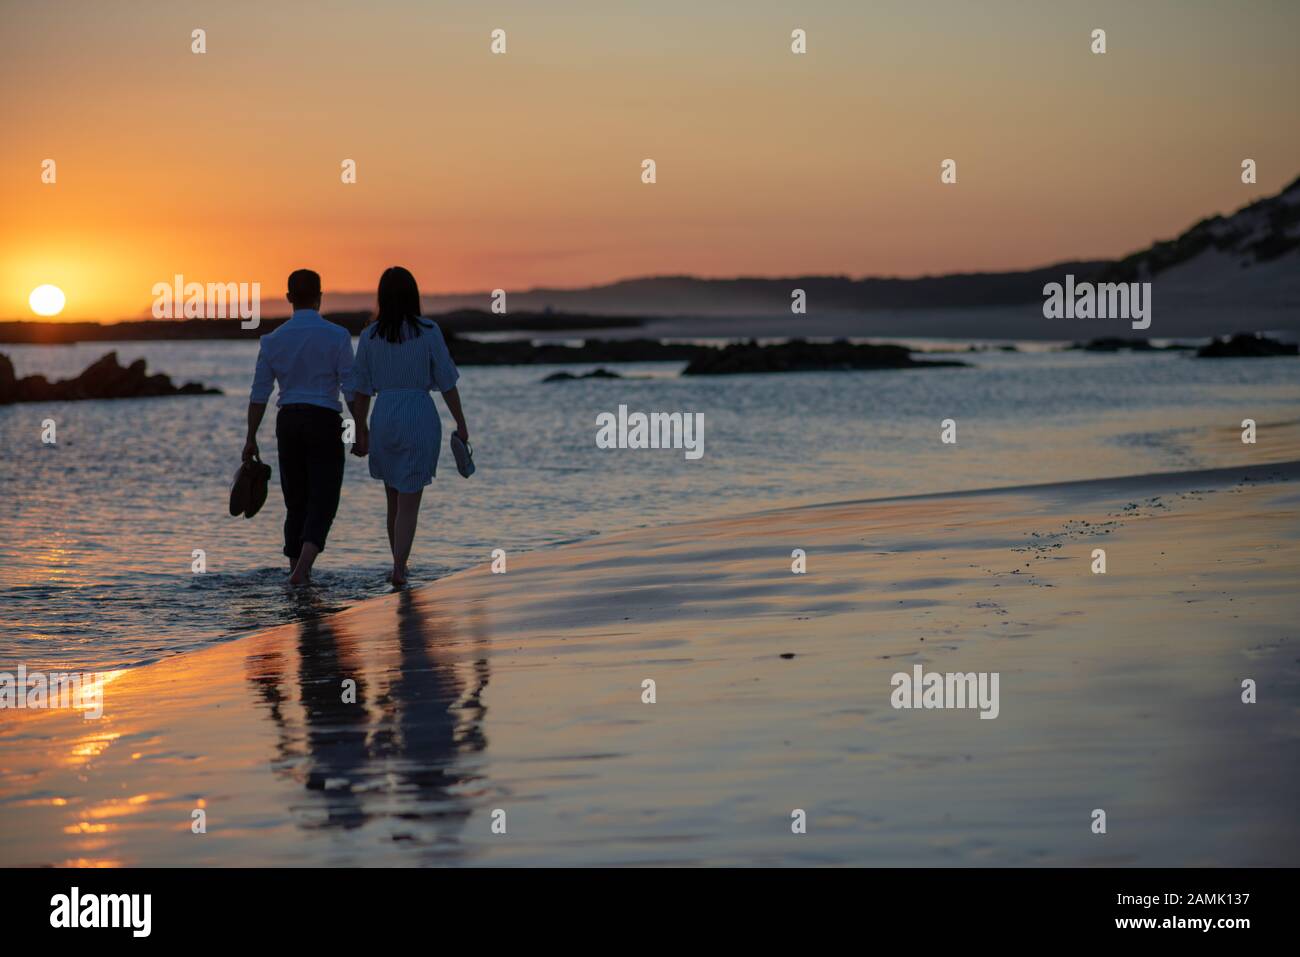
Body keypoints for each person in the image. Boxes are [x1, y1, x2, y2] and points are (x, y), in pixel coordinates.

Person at [350, 266, 468, 586]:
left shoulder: (370, 335)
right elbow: (447, 382)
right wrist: (461, 423)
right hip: (418, 413)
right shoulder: (428, 330)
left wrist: (360, 430)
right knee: (410, 500)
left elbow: (360, 389)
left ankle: (397, 563)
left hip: (385, 413)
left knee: (393, 498)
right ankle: (400, 568)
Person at [243, 269, 355, 585]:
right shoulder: (337, 336)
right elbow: (351, 386)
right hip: (323, 419)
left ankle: (297, 571)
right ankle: (301, 572)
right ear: (320, 296)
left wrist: (250, 437)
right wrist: (361, 429)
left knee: (296, 501)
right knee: (324, 498)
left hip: (288, 420)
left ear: (289, 298)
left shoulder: (273, 339)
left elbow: (259, 393)